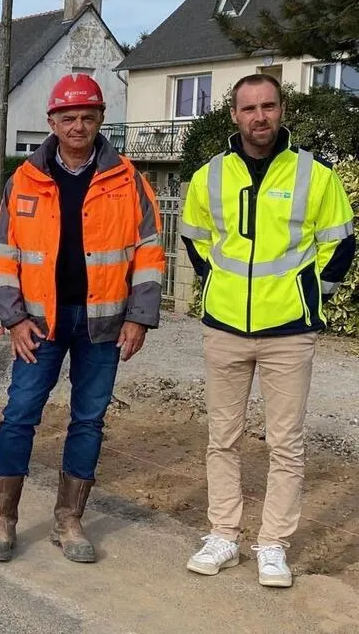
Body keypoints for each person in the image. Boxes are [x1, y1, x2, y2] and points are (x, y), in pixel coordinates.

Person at [180, 74, 355, 587]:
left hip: (289, 332)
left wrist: (307, 295)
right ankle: (223, 536)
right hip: (226, 328)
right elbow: (196, 240)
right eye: (249, 108)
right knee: (222, 438)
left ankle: (273, 545)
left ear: (282, 109)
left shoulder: (314, 174)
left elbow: (340, 245)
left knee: (287, 443)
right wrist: (218, 284)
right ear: (233, 114)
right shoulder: (209, 175)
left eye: (269, 106)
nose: (260, 116)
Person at [0, 74, 164, 564]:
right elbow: (2, 256)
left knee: (88, 420)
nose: (78, 125)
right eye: (68, 117)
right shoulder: (23, 180)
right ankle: (4, 518)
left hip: (102, 324)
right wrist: (14, 319)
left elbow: (148, 253)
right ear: (52, 123)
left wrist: (140, 317)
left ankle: (69, 519)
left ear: (101, 118)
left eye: (87, 116)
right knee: (20, 414)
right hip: (38, 324)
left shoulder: (128, 180)